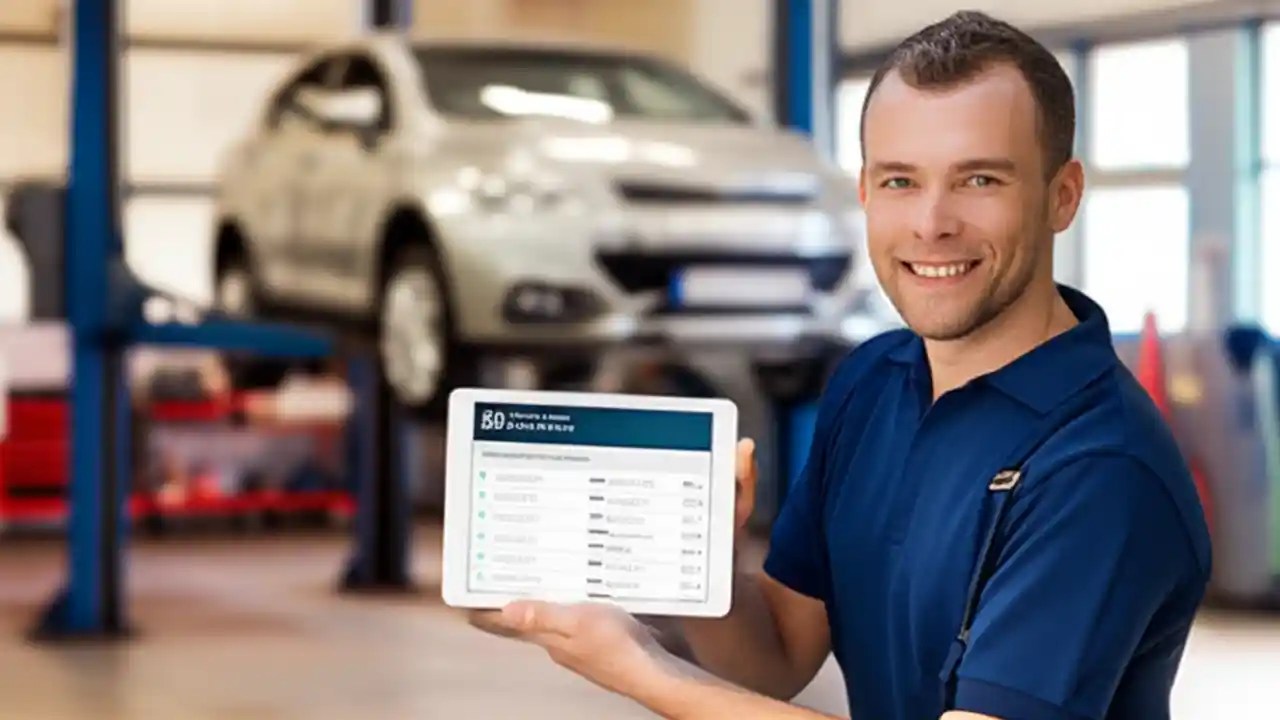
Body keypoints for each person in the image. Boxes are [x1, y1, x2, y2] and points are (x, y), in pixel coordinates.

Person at [471, 10, 1212, 720]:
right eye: (900, 181)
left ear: (1063, 196)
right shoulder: (871, 383)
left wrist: (639, 670)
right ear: (864, 193)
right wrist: (696, 571)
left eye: (979, 180)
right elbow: (776, 657)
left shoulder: (1100, 467)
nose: (931, 223)